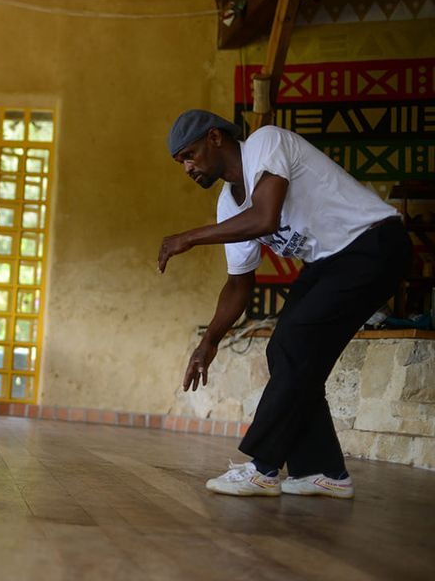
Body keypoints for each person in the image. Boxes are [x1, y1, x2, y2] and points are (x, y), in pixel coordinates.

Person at [158, 110, 410, 499]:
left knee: (294, 341)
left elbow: (265, 217)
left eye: (189, 155)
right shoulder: (228, 204)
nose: (187, 168)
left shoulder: (265, 143)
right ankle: (325, 471)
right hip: (331, 261)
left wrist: (189, 238)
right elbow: (239, 284)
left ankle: (263, 468)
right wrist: (209, 341)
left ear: (215, 138)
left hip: (374, 243)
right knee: (285, 350)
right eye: (180, 163)